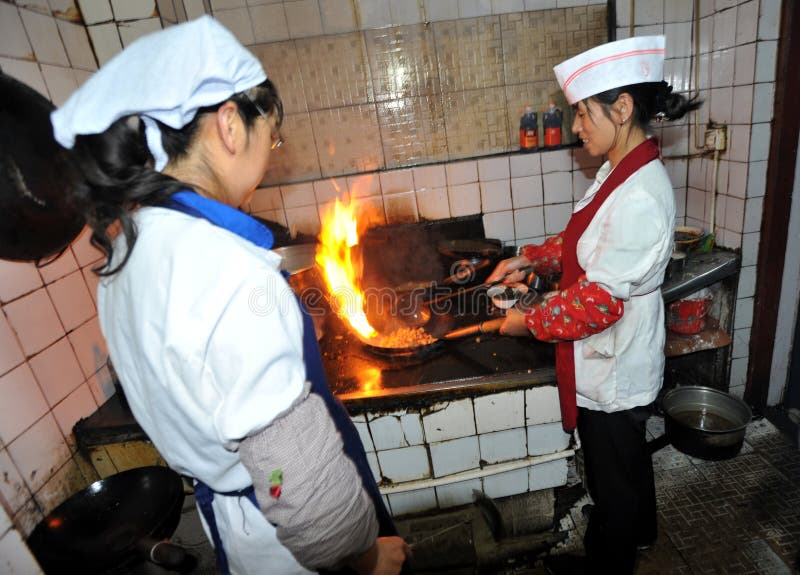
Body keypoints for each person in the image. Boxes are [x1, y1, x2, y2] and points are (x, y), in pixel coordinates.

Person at [50, 16, 410, 575]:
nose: (272, 153)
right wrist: (363, 557)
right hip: (298, 542)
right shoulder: (227, 269)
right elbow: (293, 468)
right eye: (273, 135)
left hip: (244, 529)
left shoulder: (128, 254)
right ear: (229, 125)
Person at [486, 36, 701, 574]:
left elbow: (598, 305)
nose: (577, 126)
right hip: (613, 351)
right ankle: (641, 534)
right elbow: (583, 240)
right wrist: (531, 260)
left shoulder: (641, 194)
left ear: (622, 108)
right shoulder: (617, 171)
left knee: (612, 475)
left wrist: (527, 321)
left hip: (615, 358)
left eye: (582, 112)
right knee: (626, 462)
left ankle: (611, 561)